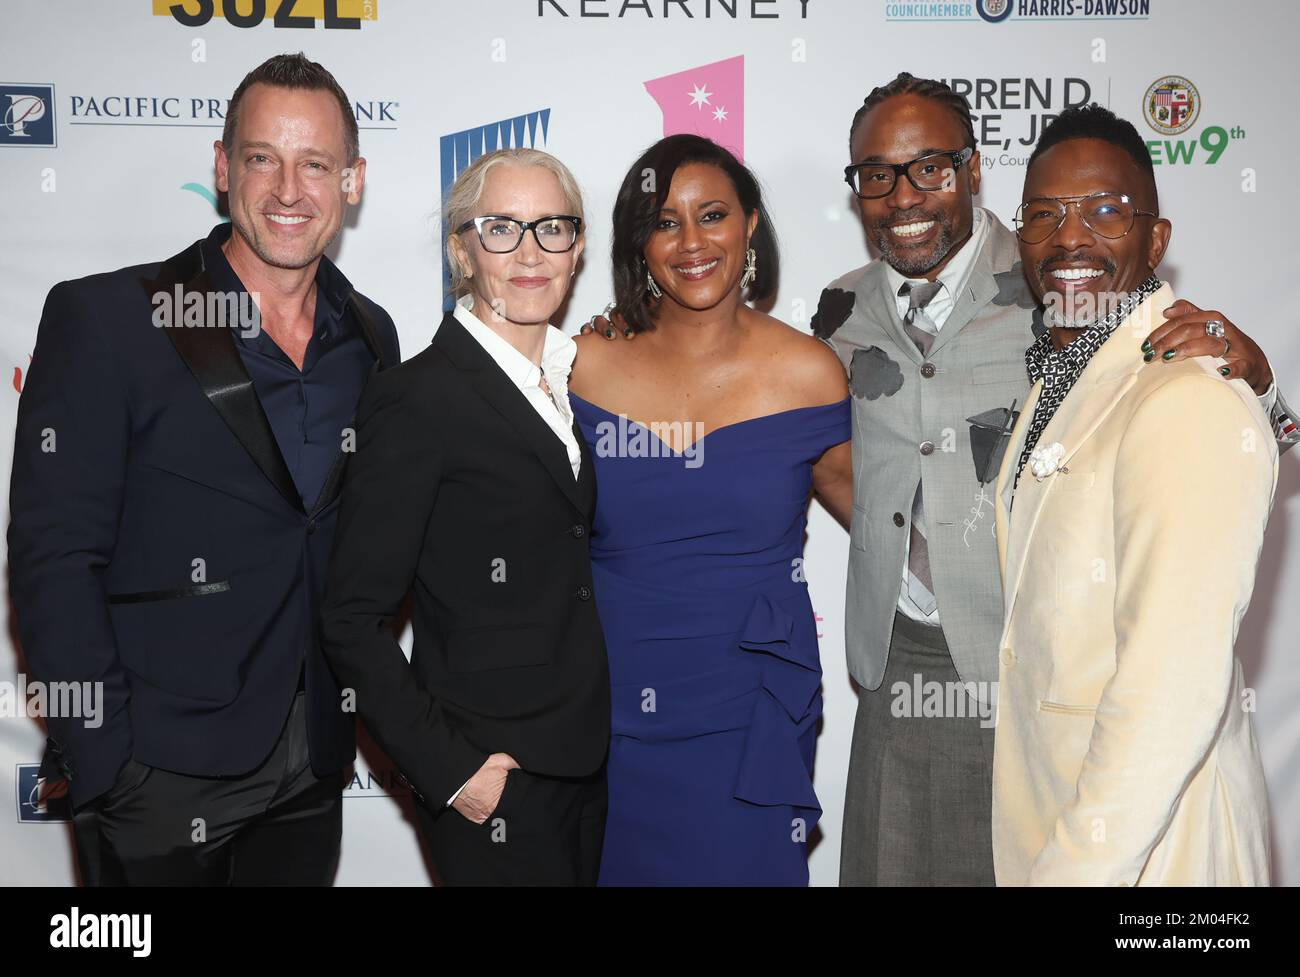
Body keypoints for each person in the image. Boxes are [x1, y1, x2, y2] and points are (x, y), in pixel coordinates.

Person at [812, 73, 1295, 886]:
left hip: (1029, 683)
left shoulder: (1055, 285)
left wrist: (1265, 387)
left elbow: (1209, 444)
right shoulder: (840, 310)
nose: (905, 195)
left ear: (972, 170)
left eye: (930, 166)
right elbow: (807, 444)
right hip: (899, 666)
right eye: (878, 175)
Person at [7, 53, 400, 885]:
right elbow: (53, 553)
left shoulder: (370, 336)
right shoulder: (111, 318)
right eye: (263, 157)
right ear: (223, 168)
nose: (289, 189)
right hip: (155, 772)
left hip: (311, 767)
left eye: (316, 164)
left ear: (353, 180)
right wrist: (107, 759)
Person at [991, 104, 1275, 885]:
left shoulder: (1187, 392)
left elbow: (1167, 690)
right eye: (1043, 214)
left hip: (1153, 856)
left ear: (1157, 240)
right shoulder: (1062, 375)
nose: (1070, 238)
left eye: (1105, 211)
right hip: (1071, 822)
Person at [320, 148, 609, 886]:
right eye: (501, 228)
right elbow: (352, 616)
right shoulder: (417, 398)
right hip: (493, 779)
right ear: (462, 248)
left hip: (582, 764)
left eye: (552, 228)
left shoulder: (566, 384)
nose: (530, 252)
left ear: (577, 248)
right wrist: (454, 772)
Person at [569, 134, 852, 885]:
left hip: (748, 712)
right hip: (610, 714)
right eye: (665, 222)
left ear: (750, 224)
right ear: (640, 242)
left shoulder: (809, 373)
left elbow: (887, 521)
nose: (692, 242)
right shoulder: (583, 365)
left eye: (714, 214)